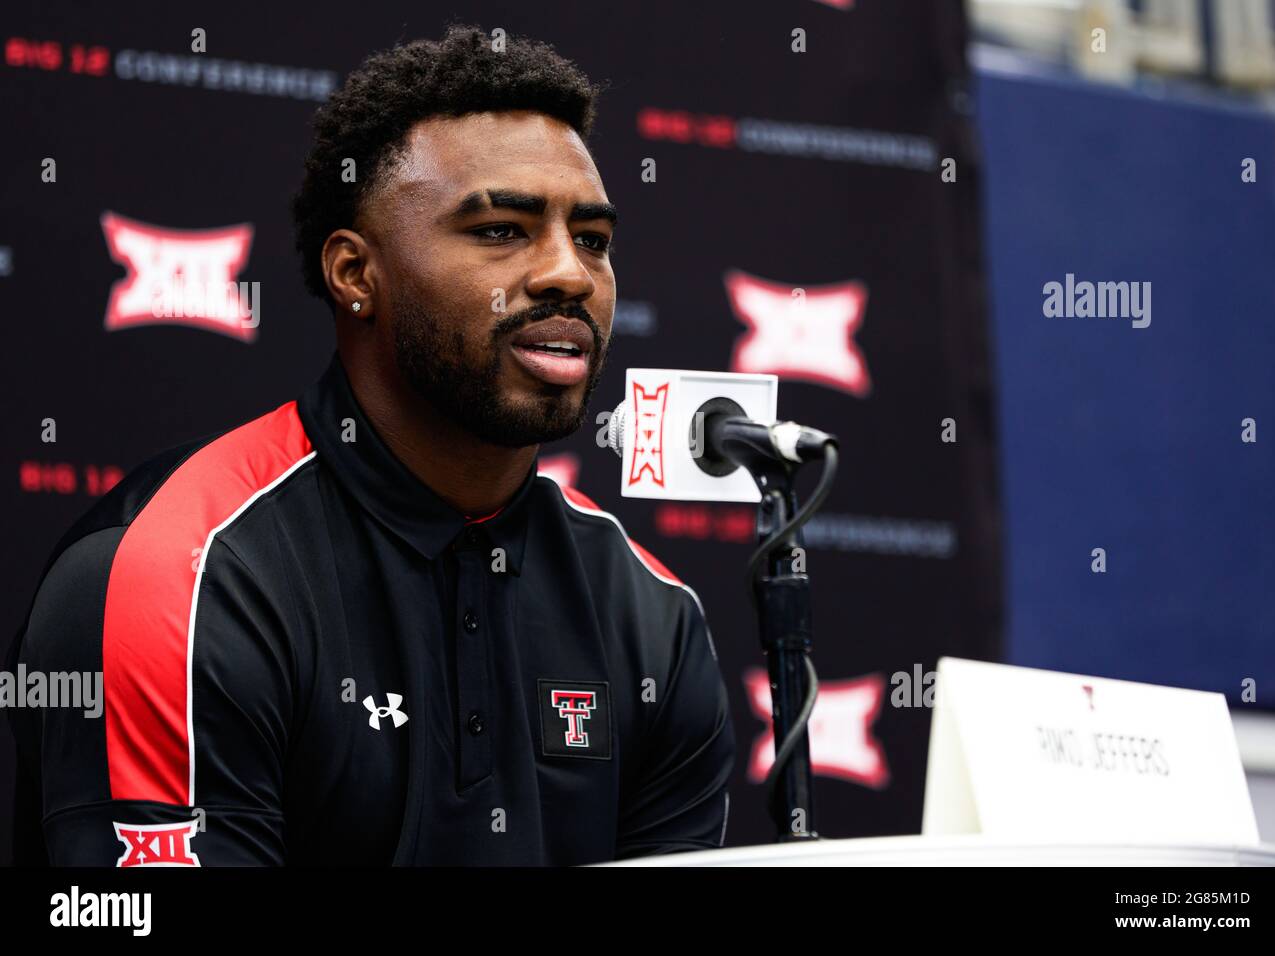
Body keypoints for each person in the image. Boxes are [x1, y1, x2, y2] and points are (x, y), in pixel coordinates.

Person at [6, 23, 735, 866]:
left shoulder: (652, 616)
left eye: (594, 240)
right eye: (502, 229)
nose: (569, 273)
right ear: (356, 274)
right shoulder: (183, 574)